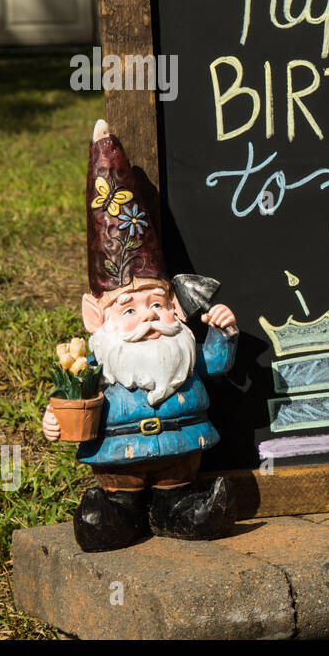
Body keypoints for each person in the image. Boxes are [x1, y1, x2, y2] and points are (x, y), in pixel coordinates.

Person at [41, 119, 237, 552]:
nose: (148, 319)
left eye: (156, 305)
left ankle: (183, 509)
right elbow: (73, 394)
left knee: (179, 493)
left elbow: (217, 365)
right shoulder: (98, 360)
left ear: (175, 308)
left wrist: (223, 333)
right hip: (118, 457)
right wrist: (54, 418)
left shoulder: (182, 351)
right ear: (97, 318)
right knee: (116, 504)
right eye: (128, 309)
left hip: (182, 452)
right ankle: (114, 516)